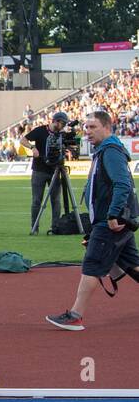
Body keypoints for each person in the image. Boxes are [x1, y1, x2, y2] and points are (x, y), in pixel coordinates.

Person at [47, 110, 139, 330]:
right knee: (133, 264)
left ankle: (75, 315)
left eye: (93, 127)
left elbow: (123, 185)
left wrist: (113, 214)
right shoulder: (105, 150)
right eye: (86, 127)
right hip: (112, 220)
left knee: (92, 264)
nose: (87, 132)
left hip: (111, 222)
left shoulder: (111, 152)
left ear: (107, 127)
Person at [22, 112, 73, 234]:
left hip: (55, 170)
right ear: (56, 121)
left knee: (56, 201)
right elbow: (23, 140)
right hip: (39, 170)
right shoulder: (40, 131)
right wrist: (32, 148)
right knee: (36, 201)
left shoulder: (62, 135)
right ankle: (35, 228)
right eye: (62, 123)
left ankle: (55, 227)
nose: (64, 125)